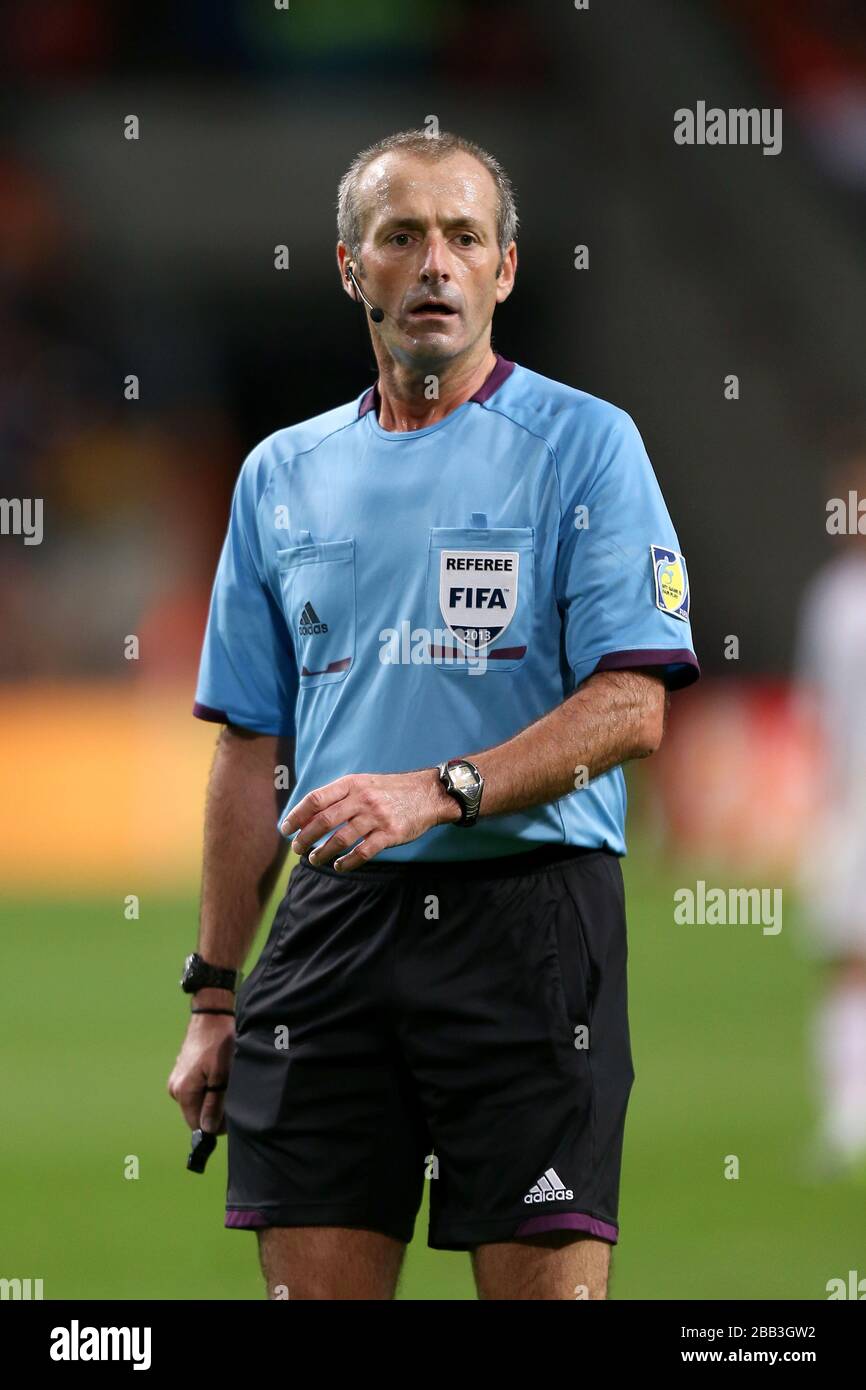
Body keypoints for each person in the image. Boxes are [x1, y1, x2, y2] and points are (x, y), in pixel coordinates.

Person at [168, 128, 700, 1300]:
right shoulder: (278, 474)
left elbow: (629, 705)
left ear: (504, 270)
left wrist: (438, 789)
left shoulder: (586, 446)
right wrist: (214, 992)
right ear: (350, 265)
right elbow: (249, 744)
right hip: (330, 928)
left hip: (527, 928)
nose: (434, 264)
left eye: (463, 236)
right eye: (401, 236)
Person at [794, 436, 866, 1181]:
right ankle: (849, 1115)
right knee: (848, 960)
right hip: (853, 808)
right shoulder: (834, 598)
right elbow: (819, 715)